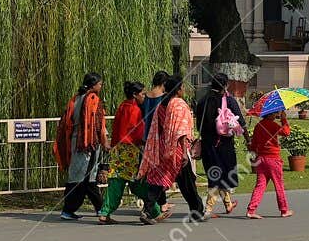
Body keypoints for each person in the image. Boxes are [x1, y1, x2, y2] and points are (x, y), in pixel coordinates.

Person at [137, 74, 205, 224]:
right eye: (182, 87)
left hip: (162, 147)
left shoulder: (162, 104)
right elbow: (180, 131)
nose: (184, 89)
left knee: (159, 180)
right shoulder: (179, 104)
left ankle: (147, 210)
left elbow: (159, 127)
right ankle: (197, 211)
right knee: (187, 182)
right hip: (176, 149)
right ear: (178, 89)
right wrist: (184, 153)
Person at [196, 74, 249, 216]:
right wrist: (248, 139)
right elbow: (241, 122)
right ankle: (208, 208)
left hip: (208, 143)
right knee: (218, 175)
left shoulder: (202, 101)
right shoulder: (229, 100)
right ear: (225, 85)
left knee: (216, 173)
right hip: (224, 144)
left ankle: (228, 203)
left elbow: (198, 126)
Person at [56, 73, 107, 220]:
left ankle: (100, 209)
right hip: (87, 144)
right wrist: (104, 141)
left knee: (84, 178)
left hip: (75, 142)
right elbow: (97, 125)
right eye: (100, 84)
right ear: (93, 85)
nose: (101, 87)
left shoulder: (76, 98)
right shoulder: (92, 100)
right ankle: (70, 210)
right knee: (84, 178)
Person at [98, 80, 146, 223]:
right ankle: (153, 208)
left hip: (118, 148)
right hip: (130, 149)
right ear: (135, 95)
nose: (144, 96)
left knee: (116, 182)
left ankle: (105, 212)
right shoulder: (135, 110)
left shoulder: (122, 106)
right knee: (136, 182)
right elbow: (137, 132)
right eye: (143, 94)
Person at [245, 108, 293, 219]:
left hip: (261, 159)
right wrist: (284, 119)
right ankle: (284, 210)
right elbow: (286, 132)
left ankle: (251, 210)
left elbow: (253, 145)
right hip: (273, 159)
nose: (276, 115)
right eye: (275, 113)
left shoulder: (258, 126)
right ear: (270, 114)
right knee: (279, 185)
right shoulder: (272, 125)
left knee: (260, 185)